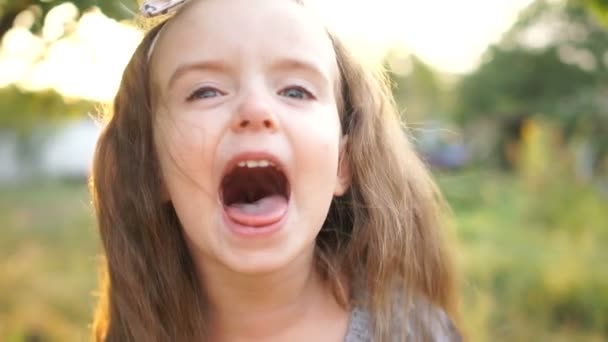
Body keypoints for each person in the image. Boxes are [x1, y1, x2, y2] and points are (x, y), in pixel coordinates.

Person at [90, 0, 462, 340]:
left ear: (342, 163)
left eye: (296, 91)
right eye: (205, 91)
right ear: (153, 167)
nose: (255, 108)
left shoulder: (414, 333)